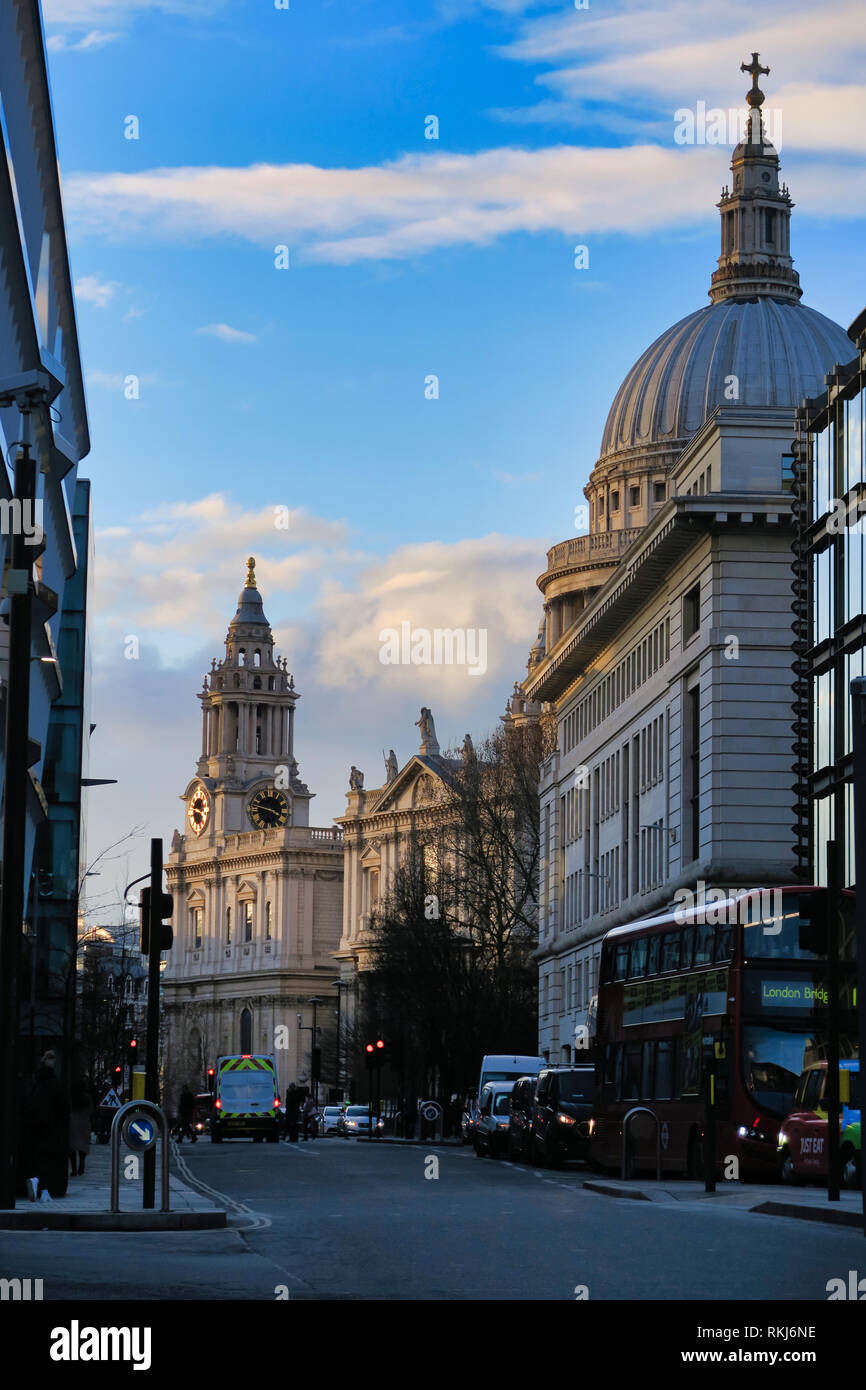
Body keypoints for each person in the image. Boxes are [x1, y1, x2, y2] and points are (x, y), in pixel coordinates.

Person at [22, 1062, 69, 1200]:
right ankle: (45, 1189)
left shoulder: (36, 1089)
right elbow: (65, 1110)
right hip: (55, 1132)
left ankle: (37, 1183)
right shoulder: (59, 1088)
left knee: (38, 1160)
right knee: (51, 1162)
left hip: (38, 1131)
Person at [68, 1079, 93, 1177]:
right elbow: (91, 1109)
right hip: (84, 1121)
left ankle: (74, 1169)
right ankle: (81, 1163)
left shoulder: (71, 1097)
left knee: (72, 1146)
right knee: (83, 1144)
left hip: (73, 1121)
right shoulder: (87, 1097)